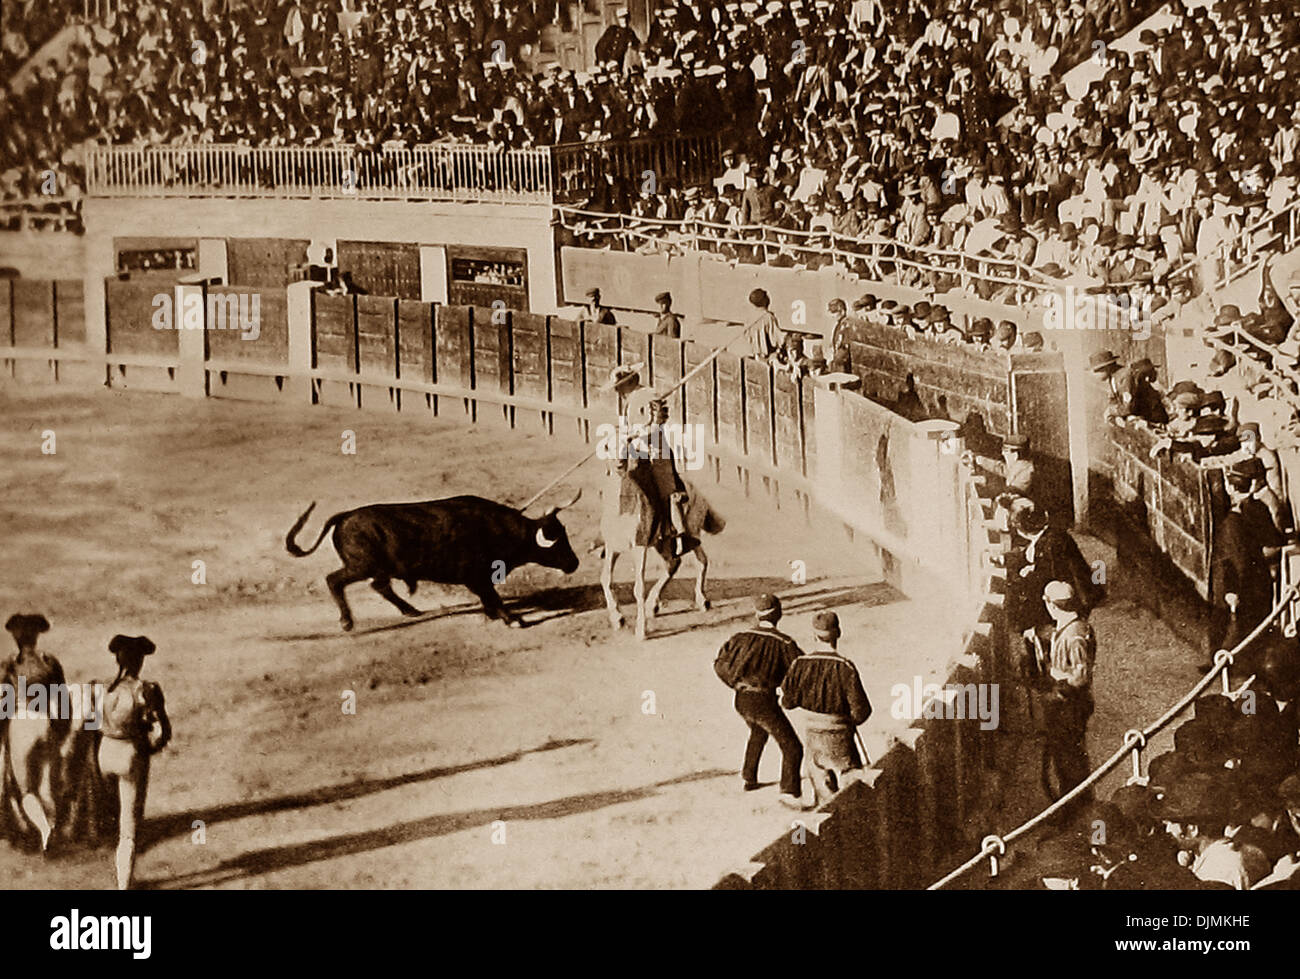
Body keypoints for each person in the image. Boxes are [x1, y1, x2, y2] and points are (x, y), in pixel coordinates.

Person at [713, 593, 805, 808]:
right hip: (765, 702)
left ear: (756, 614)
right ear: (779, 615)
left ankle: (748, 776)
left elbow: (719, 664)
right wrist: (790, 697)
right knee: (792, 747)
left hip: (741, 700)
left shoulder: (740, 637)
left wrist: (736, 683)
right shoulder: (785, 643)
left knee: (758, 732)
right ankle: (789, 792)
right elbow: (801, 674)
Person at [97, 634, 171, 890]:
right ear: (140, 661)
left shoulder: (104, 687)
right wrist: (148, 749)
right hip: (130, 754)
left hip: (104, 753)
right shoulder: (146, 689)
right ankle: (124, 886)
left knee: (110, 819)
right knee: (128, 828)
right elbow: (162, 732)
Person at [780, 611, 872, 806]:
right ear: (838, 633)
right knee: (852, 789)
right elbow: (861, 712)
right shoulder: (845, 667)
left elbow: (787, 702)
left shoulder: (799, 664)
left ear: (814, 635)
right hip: (841, 738)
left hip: (813, 737)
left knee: (823, 795)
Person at [1, 612, 67, 852]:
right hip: (45, 721)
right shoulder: (49, 662)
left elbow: (3, 703)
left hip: (21, 723)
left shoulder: (10, 664)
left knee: (26, 789)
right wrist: (60, 732)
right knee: (48, 786)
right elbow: (63, 701)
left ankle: (43, 829)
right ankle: (53, 827)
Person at [1207, 460, 1284, 667]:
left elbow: (1237, 560)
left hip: (1239, 585)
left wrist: (1233, 590)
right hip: (1259, 582)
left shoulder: (1233, 522)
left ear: (1231, 488)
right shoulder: (1257, 507)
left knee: (1238, 627)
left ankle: (1229, 665)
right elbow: (1273, 542)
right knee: (1256, 628)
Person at [1029, 580, 1096, 805]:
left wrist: (1058, 693)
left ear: (1053, 606)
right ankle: (1072, 806)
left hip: (1069, 704)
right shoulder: (1070, 626)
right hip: (1067, 703)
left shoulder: (1073, 636)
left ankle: (1075, 809)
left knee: (1069, 761)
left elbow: (1080, 676)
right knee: (1065, 759)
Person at [746, 288, 785, 363]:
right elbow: (776, 339)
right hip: (766, 356)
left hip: (754, 354)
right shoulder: (768, 317)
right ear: (764, 300)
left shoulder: (750, 317)